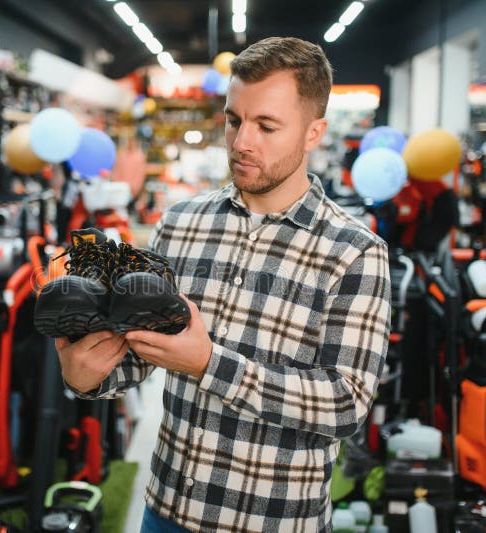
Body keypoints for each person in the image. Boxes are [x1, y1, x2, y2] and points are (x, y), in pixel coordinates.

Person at [54, 36, 391, 532]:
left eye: (267, 125)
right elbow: (140, 354)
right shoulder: (179, 223)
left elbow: (344, 405)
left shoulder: (356, 251)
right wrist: (88, 376)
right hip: (166, 509)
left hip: (273, 522)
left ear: (314, 131)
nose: (241, 142)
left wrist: (210, 364)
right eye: (234, 120)